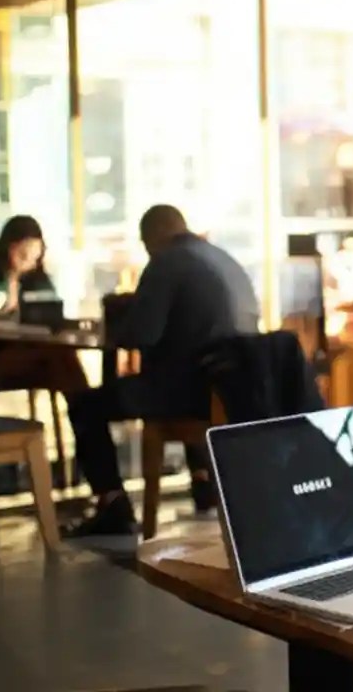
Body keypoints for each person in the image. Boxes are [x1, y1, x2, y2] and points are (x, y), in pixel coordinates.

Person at [65, 205, 260, 537]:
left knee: (86, 405)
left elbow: (141, 335)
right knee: (185, 365)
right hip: (236, 391)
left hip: (190, 393)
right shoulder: (223, 259)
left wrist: (126, 316)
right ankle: (203, 483)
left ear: (151, 237)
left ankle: (113, 505)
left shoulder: (166, 261)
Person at [0, 215, 88, 394]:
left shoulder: (38, 279)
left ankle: (88, 413)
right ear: (9, 247)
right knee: (60, 360)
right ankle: (90, 414)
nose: (28, 263)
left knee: (63, 358)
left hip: (30, 351)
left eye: (34, 257)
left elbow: (51, 311)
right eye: (22, 255)